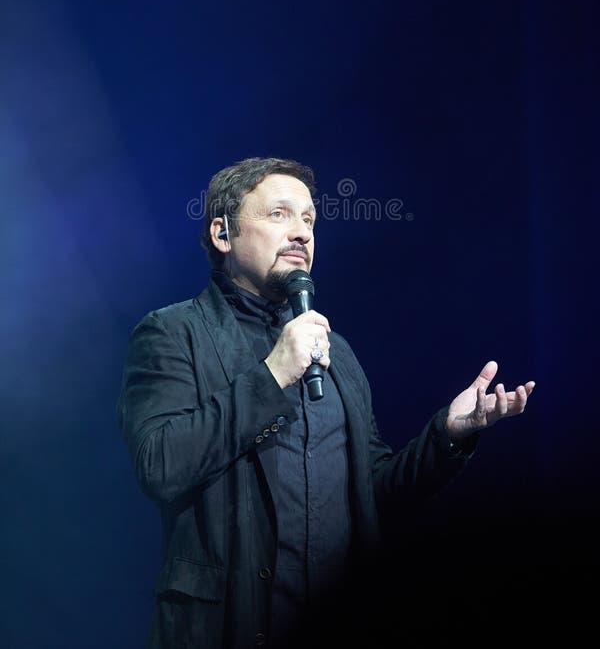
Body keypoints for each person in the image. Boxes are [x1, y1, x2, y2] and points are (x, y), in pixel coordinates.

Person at [117, 156, 535, 649]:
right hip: (227, 628)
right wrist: (273, 374)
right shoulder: (172, 333)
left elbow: (373, 490)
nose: (301, 233)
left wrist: (448, 434)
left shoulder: (337, 352)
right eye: (278, 215)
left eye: (309, 220)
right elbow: (160, 464)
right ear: (222, 234)